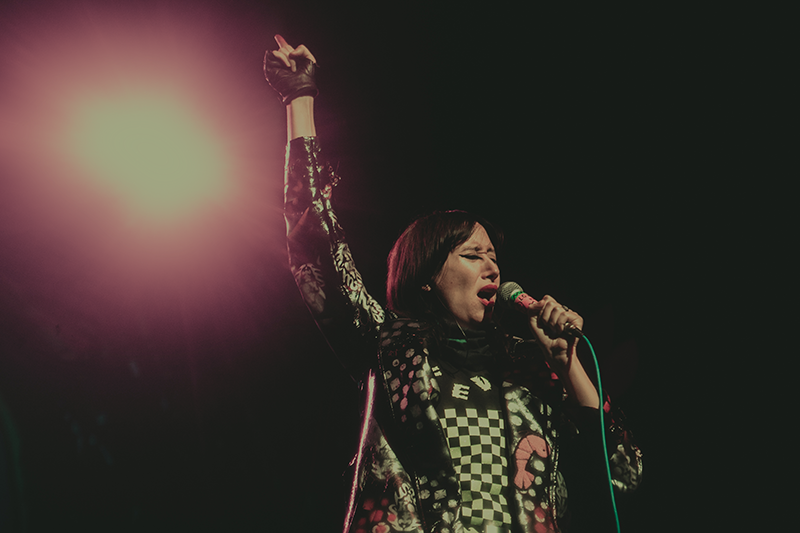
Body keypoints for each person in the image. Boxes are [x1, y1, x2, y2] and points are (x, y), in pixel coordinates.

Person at [264, 35, 642, 533]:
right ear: (426, 276)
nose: (492, 268)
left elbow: (624, 474)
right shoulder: (390, 346)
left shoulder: (529, 365)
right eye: (472, 255)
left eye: (494, 258)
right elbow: (315, 241)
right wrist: (300, 97)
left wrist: (567, 365)